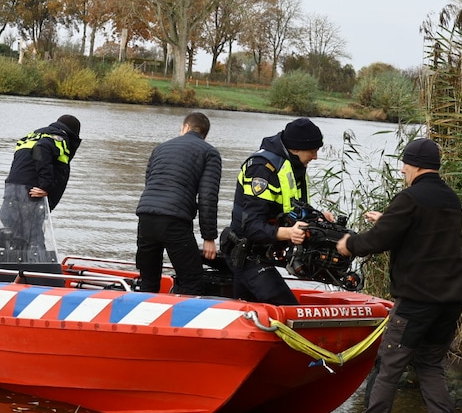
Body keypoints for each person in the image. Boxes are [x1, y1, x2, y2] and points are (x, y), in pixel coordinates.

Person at [337, 137, 462, 413]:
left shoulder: (410, 197)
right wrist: (389, 219)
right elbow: (425, 235)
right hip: (450, 301)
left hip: (417, 301)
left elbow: (378, 241)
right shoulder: (450, 199)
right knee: (430, 365)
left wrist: (349, 244)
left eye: (405, 165)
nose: (403, 170)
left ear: (415, 166)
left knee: (388, 366)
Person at [224, 117, 332, 305]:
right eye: (313, 151)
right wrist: (289, 233)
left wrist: (318, 218)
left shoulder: (293, 167)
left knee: (246, 304)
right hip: (245, 252)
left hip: (263, 252)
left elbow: (291, 209)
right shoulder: (262, 169)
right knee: (286, 306)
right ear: (296, 148)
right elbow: (252, 226)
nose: (316, 156)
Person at [134, 111, 223, 294]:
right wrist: (209, 238)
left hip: (146, 217)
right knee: (192, 279)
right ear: (204, 134)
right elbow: (208, 197)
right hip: (175, 221)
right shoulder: (209, 153)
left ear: (186, 127)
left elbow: (149, 182)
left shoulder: (160, 148)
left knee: (148, 281)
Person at [0, 114, 82, 257]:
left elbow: (22, 161)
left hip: (12, 188)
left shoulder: (32, 136)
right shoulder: (58, 139)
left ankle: (11, 262)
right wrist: (46, 186)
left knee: (14, 231)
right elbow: (41, 148)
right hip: (30, 192)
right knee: (34, 236)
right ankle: (37, 271)